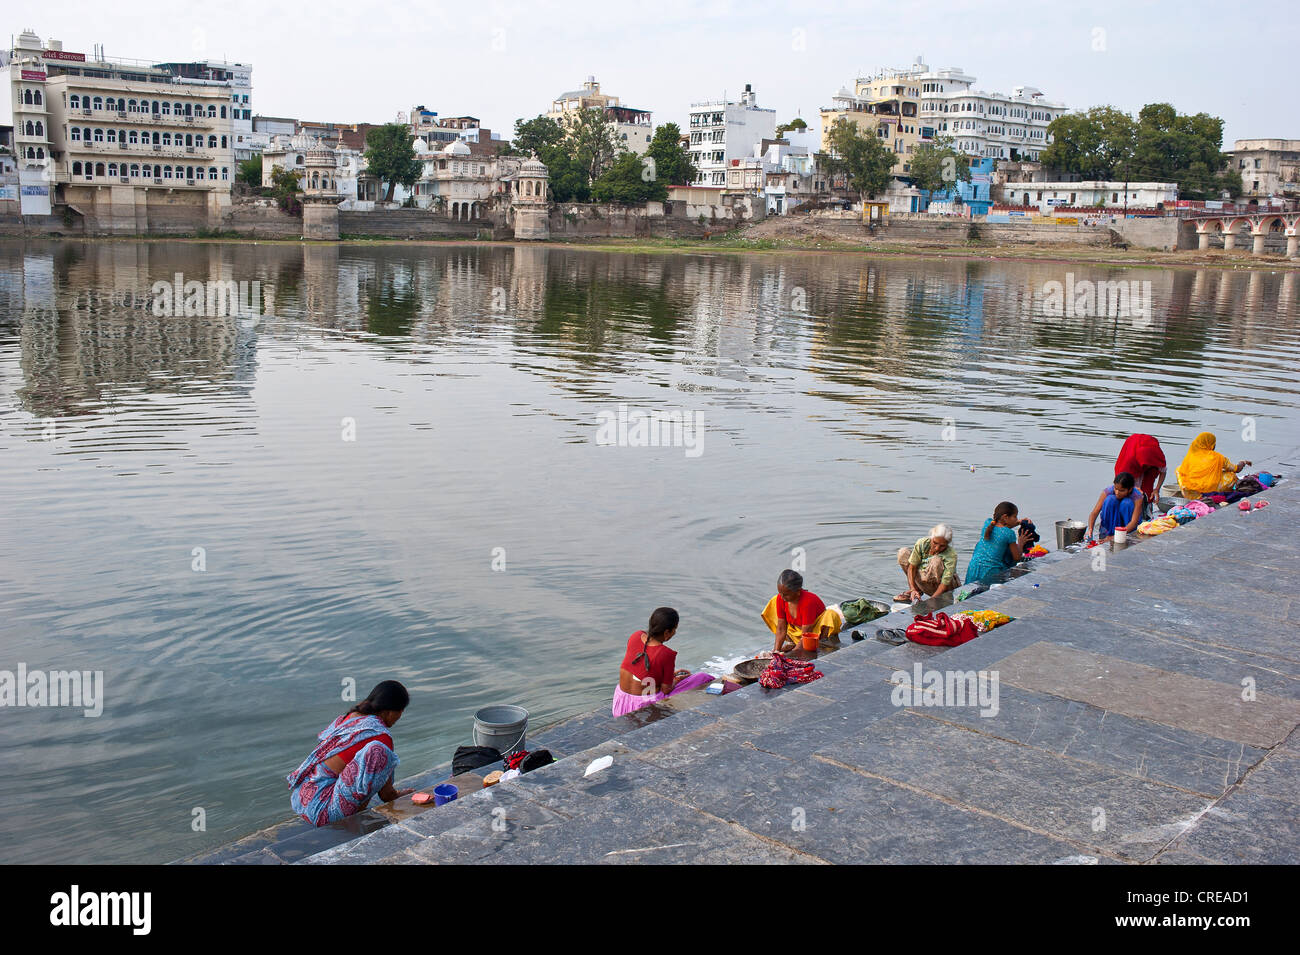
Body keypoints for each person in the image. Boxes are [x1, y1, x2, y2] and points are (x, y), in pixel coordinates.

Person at [286, 680, 413, 827]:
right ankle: (351, 819)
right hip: (323, 813)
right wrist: (396, 797)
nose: (400, 716)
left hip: (302, 800)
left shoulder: (351, 717)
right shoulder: (380, 735)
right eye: (401, 711)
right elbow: (386, 795)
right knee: (378, 752)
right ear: (390, 711)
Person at [613, 607, 714, 717]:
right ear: (667, 632)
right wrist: (676, 679)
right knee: (703, 677)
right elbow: (666, 690)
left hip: (620, 703)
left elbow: (642, 669)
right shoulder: (666, 653)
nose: (674, 632)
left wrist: (672, 674)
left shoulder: (635, 635)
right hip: (641, 706)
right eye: (674, 629)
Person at [760, 569, 842, 653]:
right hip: (797, 631)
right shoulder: (780, 599)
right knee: (773, 602)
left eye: (786, 595)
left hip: (813, 633)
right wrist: (776, 651)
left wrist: (794, 653)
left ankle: (820, 643)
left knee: (831, 615)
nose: (782, 597)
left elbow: (806, 633)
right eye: (780, 593)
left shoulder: (808, 601)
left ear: (798, 592)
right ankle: (792, 642)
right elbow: (781, 629)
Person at [965, 502, 1033, 586]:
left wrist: (1019, 522)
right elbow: (1017, 557)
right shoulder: (1009, 534)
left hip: (974, 567)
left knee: (970, 592)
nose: (1016, 519)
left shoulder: (988, 523)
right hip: (990, 571)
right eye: (1015, 516)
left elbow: (1001, 531)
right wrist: (1021, 543)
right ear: (1005, 517)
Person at [895, 524, 961, 603]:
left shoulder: (951, 555)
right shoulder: (922, 543)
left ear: (947, 544)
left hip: (944, 588)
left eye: (942, 546)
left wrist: (931, 601)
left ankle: (938, 597)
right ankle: (917, 590)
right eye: (935, 543)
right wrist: (912, 589)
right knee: (903, 553)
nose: (937, 548)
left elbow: (944, 583)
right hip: (924, 582)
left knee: (936, 561)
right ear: (932, 538)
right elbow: (912, 567)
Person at [1175, 432, 1250, 499]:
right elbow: (1236, 469)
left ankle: (1188, 493)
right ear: (1210, 444)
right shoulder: (1218, 457)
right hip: (1210, 489)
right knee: (1231, 476)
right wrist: (1243, 462)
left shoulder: (1191, 456)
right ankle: (1208, 492)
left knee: (1179, 469)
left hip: (1191, 490)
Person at [1114, 434, 1166, 517]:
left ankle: (1145, 513)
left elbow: (1163, 471)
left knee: (1146, 495)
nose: (1147, 466)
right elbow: (1120, 484)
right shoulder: (1128, 463)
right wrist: (1134, 488)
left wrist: (1157, 489)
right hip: (1132, 470)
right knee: (1127, 499)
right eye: (1146, 465)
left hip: (1146, 476)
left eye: (1150, 464)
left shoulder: (1156, 456)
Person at [1086, 472, 1145, 541]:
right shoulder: (1108, 491)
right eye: (1116, 489)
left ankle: (1118, 535)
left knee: (1126, 503)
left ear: (1130, 489)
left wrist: (1115, 537)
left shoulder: (1137, 497)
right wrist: (1090, 529)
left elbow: (1133, 522)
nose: (1117, 492)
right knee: (1110, 500)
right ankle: (1108, 533)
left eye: (1121, 490)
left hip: (1128, 527)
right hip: (1111, 526)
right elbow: (1094, 512)